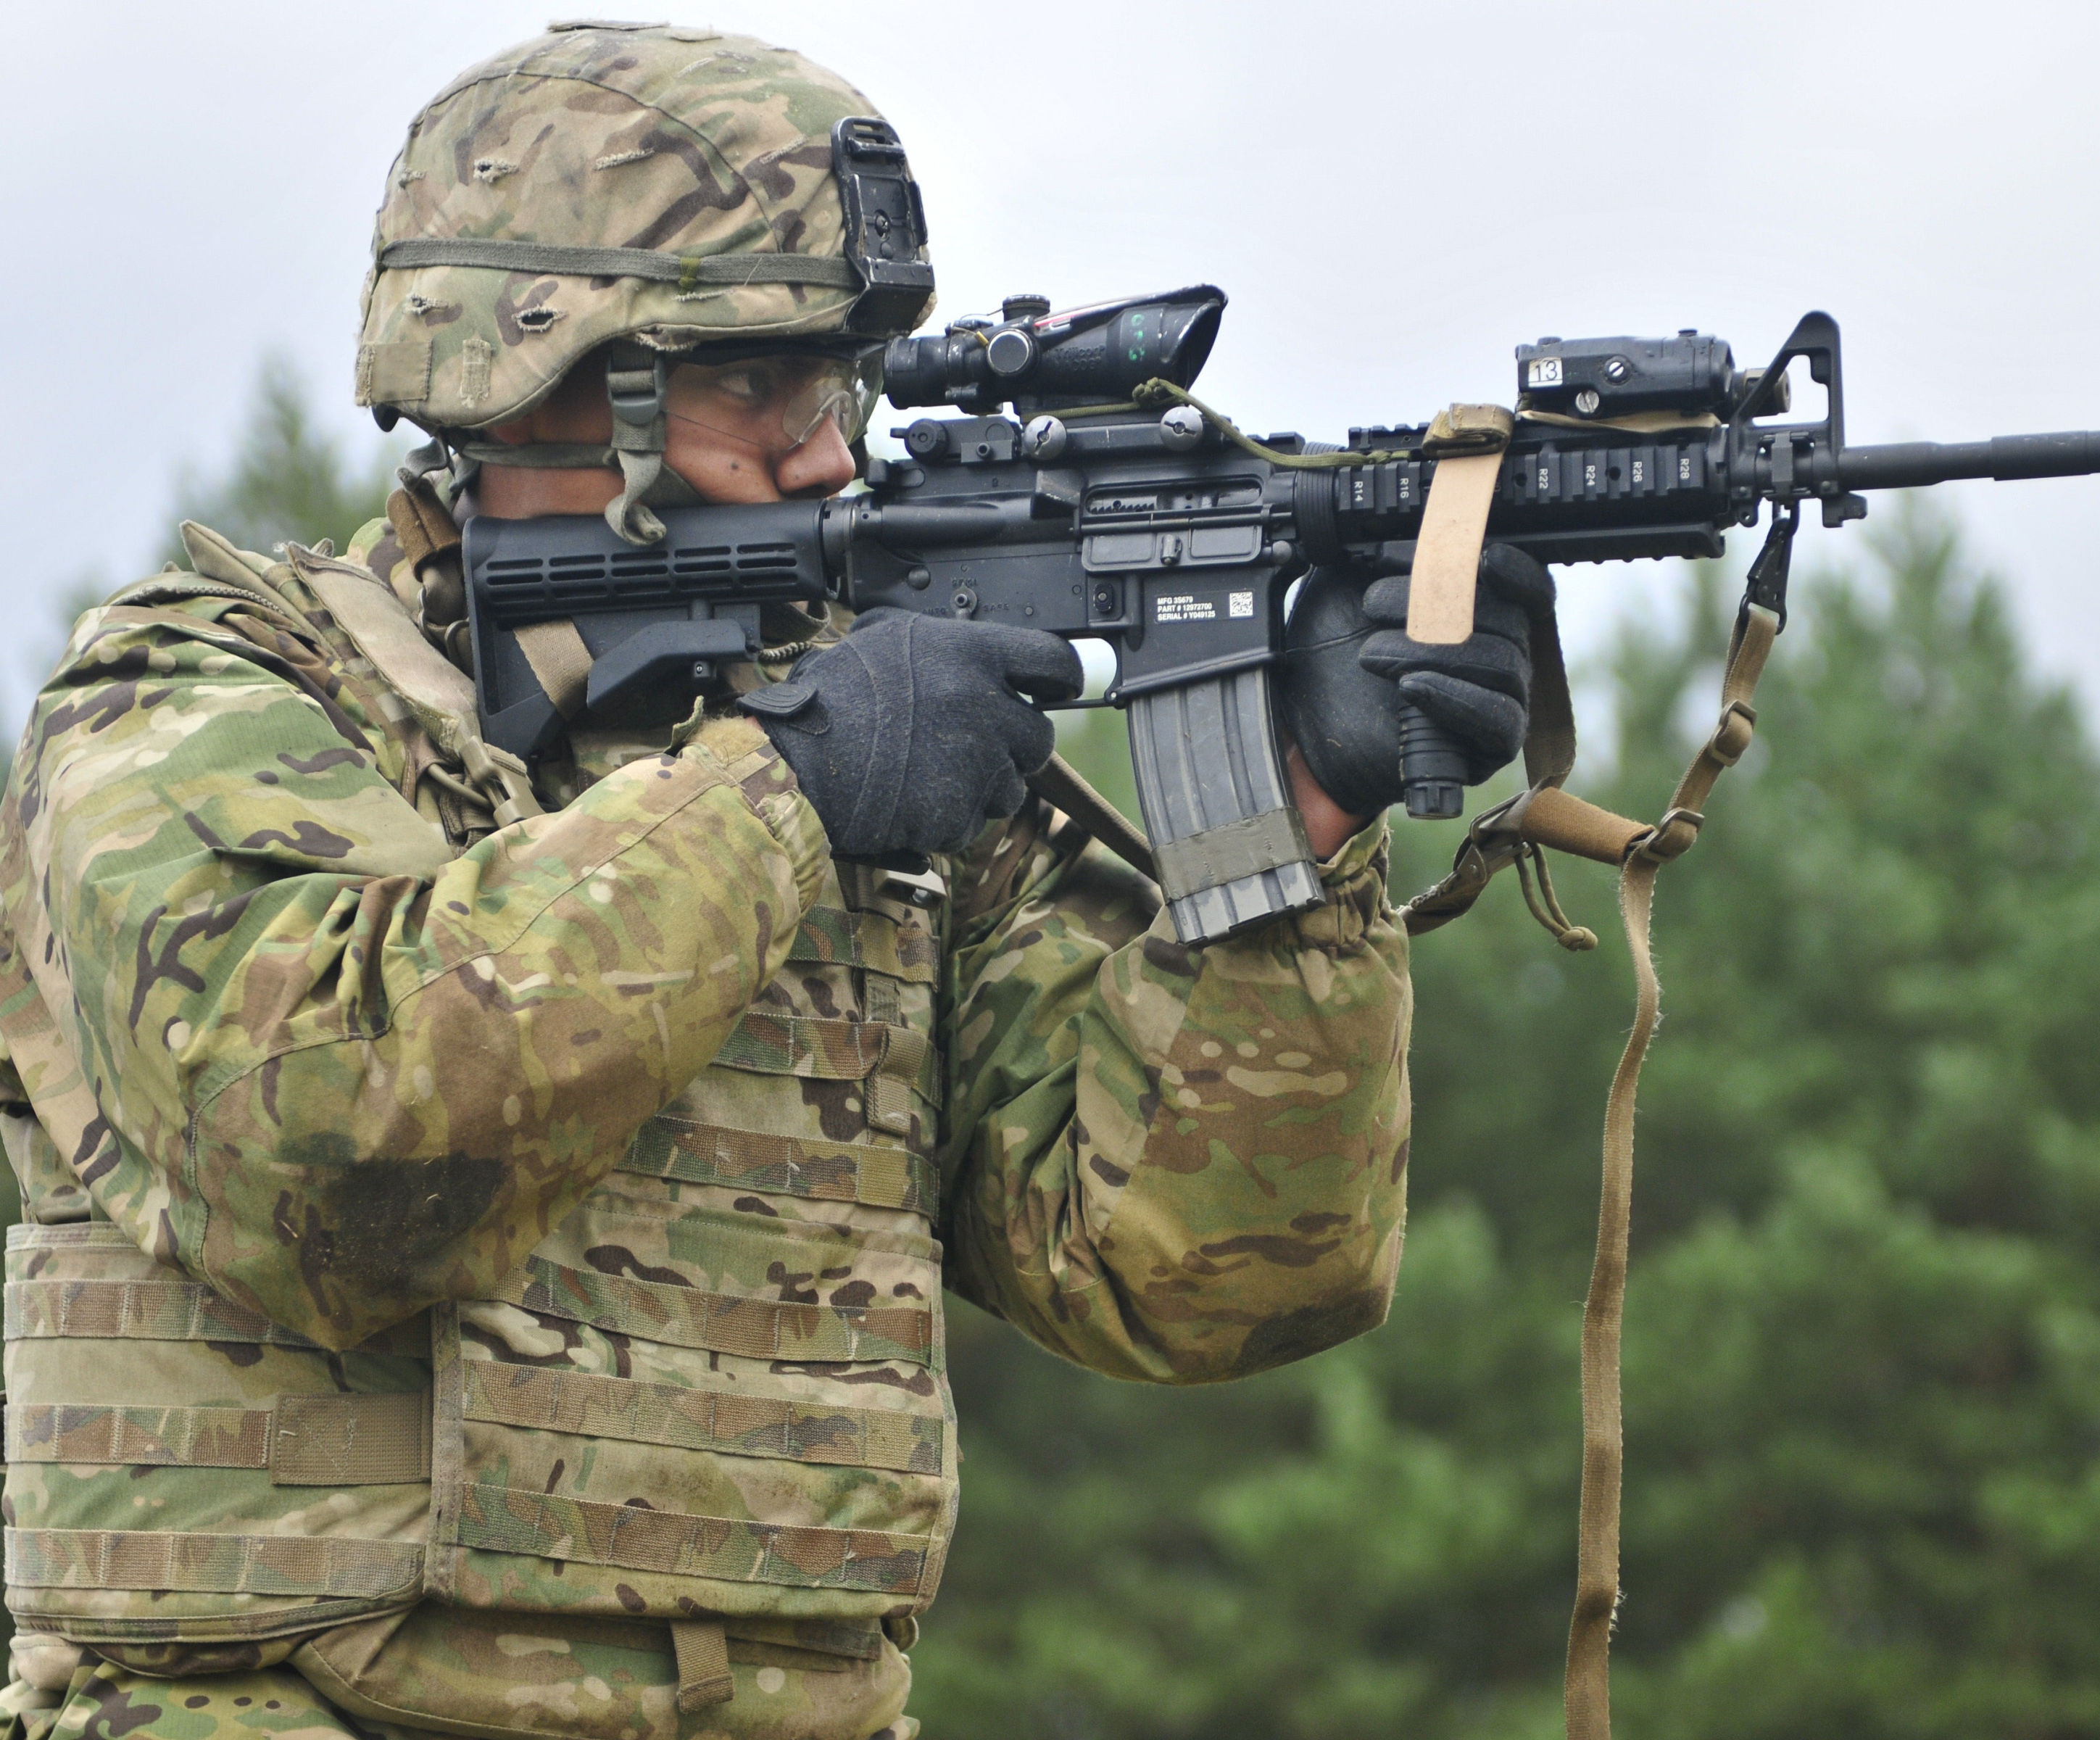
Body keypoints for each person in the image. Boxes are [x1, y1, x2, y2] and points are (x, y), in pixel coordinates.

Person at [0, 23, 1546, 1739]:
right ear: (534, 369)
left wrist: (1297, 826)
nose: (826, 456)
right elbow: (330, 1149)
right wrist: (785, 791)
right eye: (762, 387)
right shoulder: (203, 698)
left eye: (845, 389)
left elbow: (1200, 1279)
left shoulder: (864, 749)